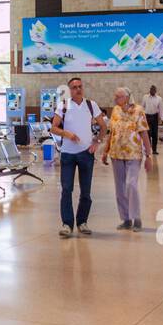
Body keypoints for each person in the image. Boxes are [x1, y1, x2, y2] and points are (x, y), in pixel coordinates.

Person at [50, 76, 105, 237]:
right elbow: (53, 128)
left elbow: (103, 126)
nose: (78, 89)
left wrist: (97, 141)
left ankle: (82, 222)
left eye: (80, 86)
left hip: (86, 153)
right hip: (67, 154)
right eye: (74, 87)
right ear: (69, 90)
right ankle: (67, 224)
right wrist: (67, 134)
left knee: (86, 191)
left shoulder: (91, 105)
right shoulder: (64, 106)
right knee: (66, 190)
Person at [102, 87, 149, 231]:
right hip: (116, 154)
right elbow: (111, 132)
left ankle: (137, 218)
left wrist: (149, 155)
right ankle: (126, 219)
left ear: (127, 98)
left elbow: (144, 133)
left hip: (133, 154)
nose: (115, 99)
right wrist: (105, 150)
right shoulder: (115, 110)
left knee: (131, 185)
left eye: (118, 97)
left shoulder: (139, 110)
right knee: (120, 188)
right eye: (115, 97)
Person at [142, 85, 163, 156]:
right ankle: (148, 149)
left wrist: (161, 118)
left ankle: (154, 150)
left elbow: (161, 109)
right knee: (148, 134)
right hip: (147, 116)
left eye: (154, 90)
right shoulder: (145, 97)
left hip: (155, 117)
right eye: (151, 90)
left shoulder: (159, 99)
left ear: (155, 91)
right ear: (150, 90)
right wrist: (141, 117)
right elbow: (142, 107)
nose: (152, 91)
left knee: (155, 134)